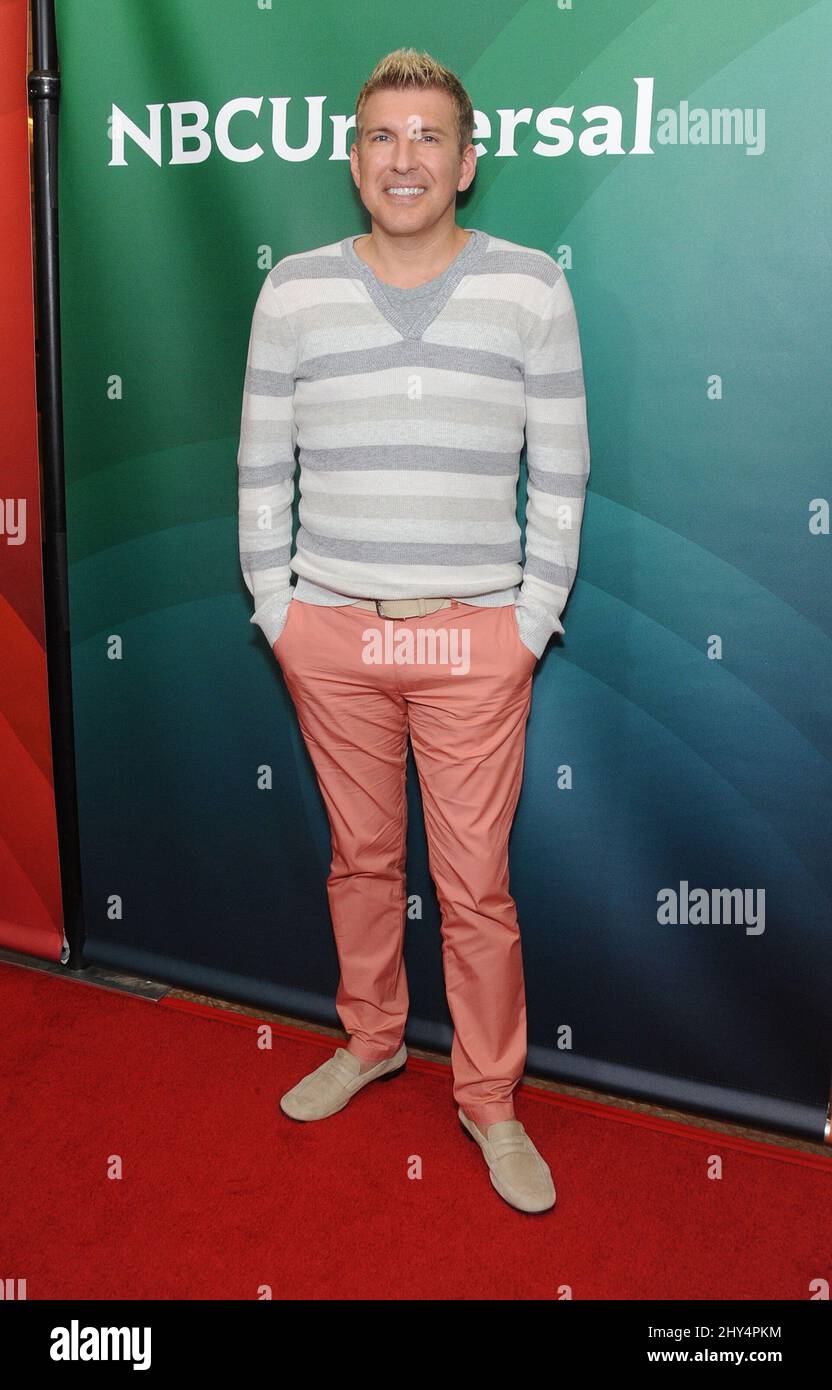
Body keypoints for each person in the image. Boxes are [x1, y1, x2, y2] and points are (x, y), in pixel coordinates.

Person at [236, 48, 590, 1214]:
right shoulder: (293, 291)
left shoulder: (530, 286)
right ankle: (374, 1037)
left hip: (473, 640)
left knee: (476, 887)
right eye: (382, 137)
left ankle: (489, 1097)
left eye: (428, 137)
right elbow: (259, 461)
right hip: (331, 632)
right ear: (354, 162)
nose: (405, 159)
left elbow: (564, 469)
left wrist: (527, 622)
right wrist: (277, 607)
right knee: (361, 861)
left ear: (466, 162)